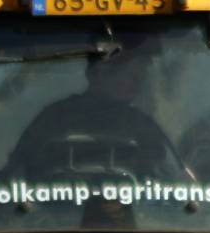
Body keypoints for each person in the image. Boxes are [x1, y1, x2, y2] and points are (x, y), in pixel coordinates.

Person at [9, 41, 174, 176]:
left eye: (139, 78)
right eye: (131, 76)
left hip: (125, 214)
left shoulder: (142, 126)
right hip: (57, 214)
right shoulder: (55, 119)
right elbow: (18, 174)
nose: (137, 84)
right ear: (95, 74)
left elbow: (166, 182)